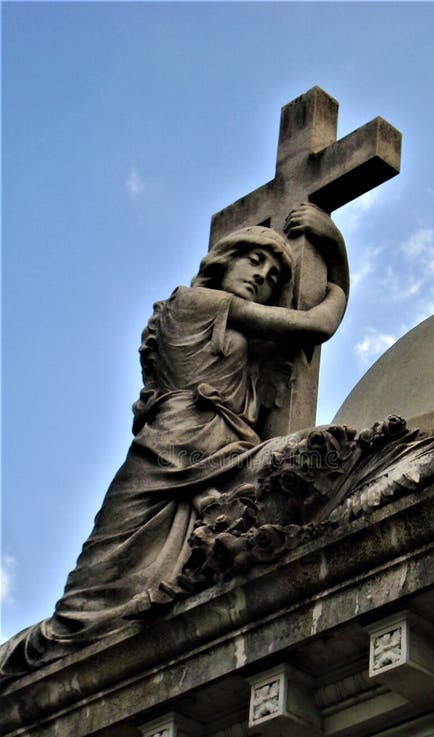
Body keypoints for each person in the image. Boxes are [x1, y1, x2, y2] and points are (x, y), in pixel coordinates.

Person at [0, 204, 349, 679]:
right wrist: (336, 265)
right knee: (85, 609)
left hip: (223, 457)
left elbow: (289, 351)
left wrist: (327, 249)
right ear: (224, 259)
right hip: (170, 454)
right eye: (253, 261)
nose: (260, 277)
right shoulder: (196, 302)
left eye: (271, 277)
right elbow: (315, 326)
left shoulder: (240, 334)